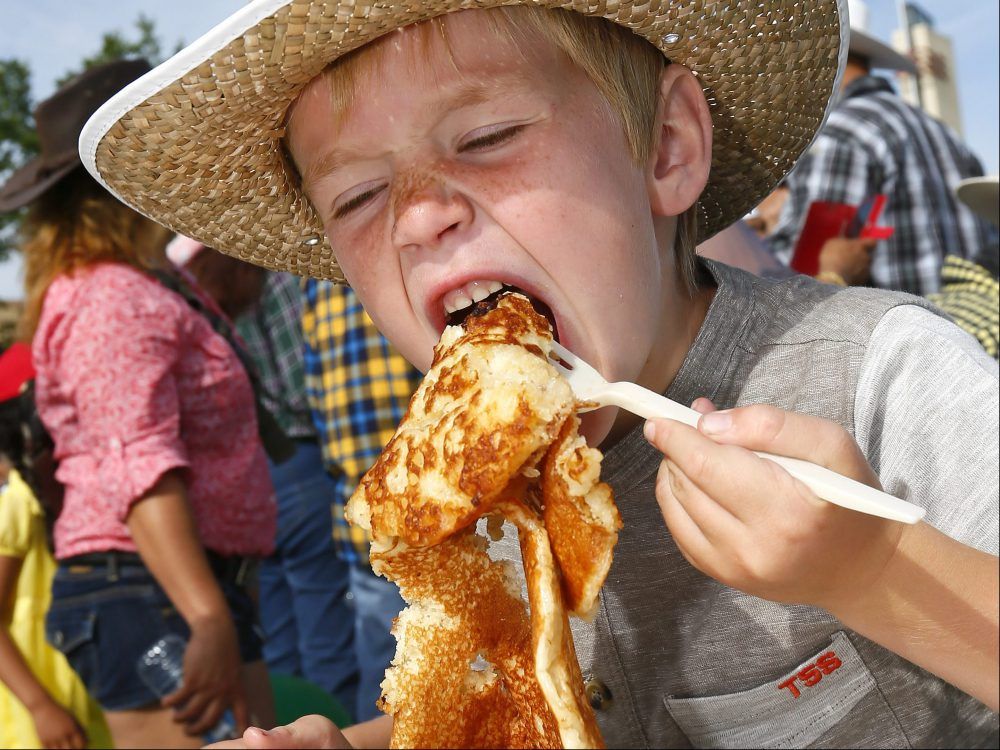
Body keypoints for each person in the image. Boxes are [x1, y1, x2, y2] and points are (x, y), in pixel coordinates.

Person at [81, 1, 999, 747]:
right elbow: (531, 699)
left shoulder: (880, 374)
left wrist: (874, 570)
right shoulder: (471, 492)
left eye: (486, 136)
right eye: (357, 195)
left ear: (667, 146)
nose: (419, 216)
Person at [0, 59, 277, 748]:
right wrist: (207, 615)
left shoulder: (138, 283)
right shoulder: (112, 298)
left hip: (168, 585)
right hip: (154, 591)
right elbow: (137, 463)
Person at [167, 237, 361, 717]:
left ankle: (286, 732)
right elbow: (298, 390)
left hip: (250, 481)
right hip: (300, 462)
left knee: (274, 633)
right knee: (324, 621)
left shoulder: (200, 309)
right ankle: (335, 730)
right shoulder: (275, 284)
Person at [768, 0, 998, 296]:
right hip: (971, 320)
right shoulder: (944, 132)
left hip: (897, 322)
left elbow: (804, 268)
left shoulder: (842, 131)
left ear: (823, 60)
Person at [300, 279, 423, 721]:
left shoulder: (315, 291)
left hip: (368, 513)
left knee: (383, 670)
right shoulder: (402, 284)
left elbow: (314, 394)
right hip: (415, 512)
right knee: (410, 680)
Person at [0, 344, 112, 750]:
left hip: (86, 715)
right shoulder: (19, 504)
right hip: (34, 725)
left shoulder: (77, 502)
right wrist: (40, 706)